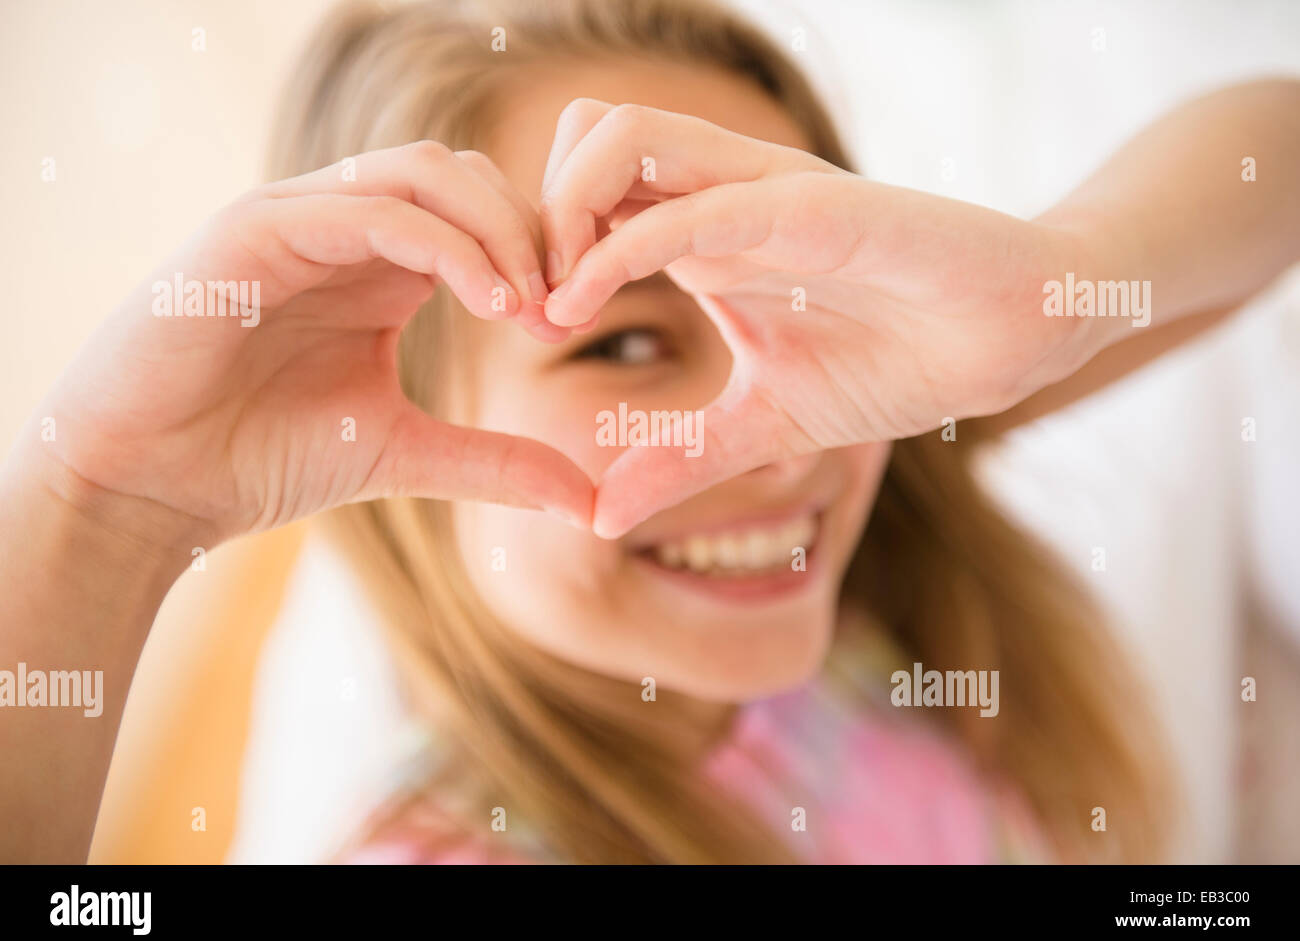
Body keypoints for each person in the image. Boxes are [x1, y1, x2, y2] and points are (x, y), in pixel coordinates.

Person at [2, 0, 1296, 864]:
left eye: (796, 306)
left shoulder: (858, 444)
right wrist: (102, 512)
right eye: (622, 342)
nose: (776, 443)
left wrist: (1052, 287)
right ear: (384, 415)